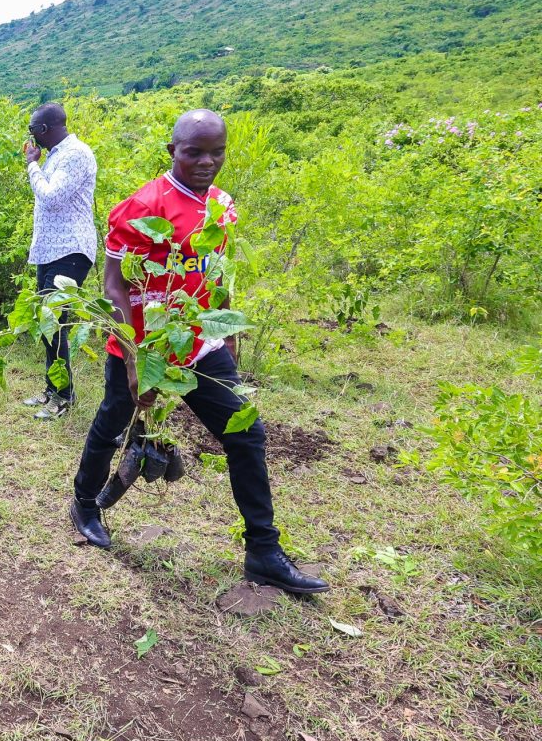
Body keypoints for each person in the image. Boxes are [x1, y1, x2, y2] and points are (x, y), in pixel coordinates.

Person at [69, 109, 329, 596]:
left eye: (217, 152)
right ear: (172, 151)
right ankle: (85, 503)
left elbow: (216, 270)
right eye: (194, 151)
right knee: (111, 424)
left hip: (198, 340)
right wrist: (131, 357)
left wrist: (225, 329)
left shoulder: (222, 206)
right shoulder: (140, 207)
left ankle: (263, 551)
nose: (206, 161)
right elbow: (113, 286)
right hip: (144, 343)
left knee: (246, 433)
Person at [21, 102, 98, 420]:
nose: (32, 136)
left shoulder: (75, 153)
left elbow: (51, 197)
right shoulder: (56, 155)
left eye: (33, 129)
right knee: (47, 324)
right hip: (52, 250)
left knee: (55, 325)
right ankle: (53, 391)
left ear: (45, 129)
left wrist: (31, 165)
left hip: (70, 250)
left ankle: (63, 398)